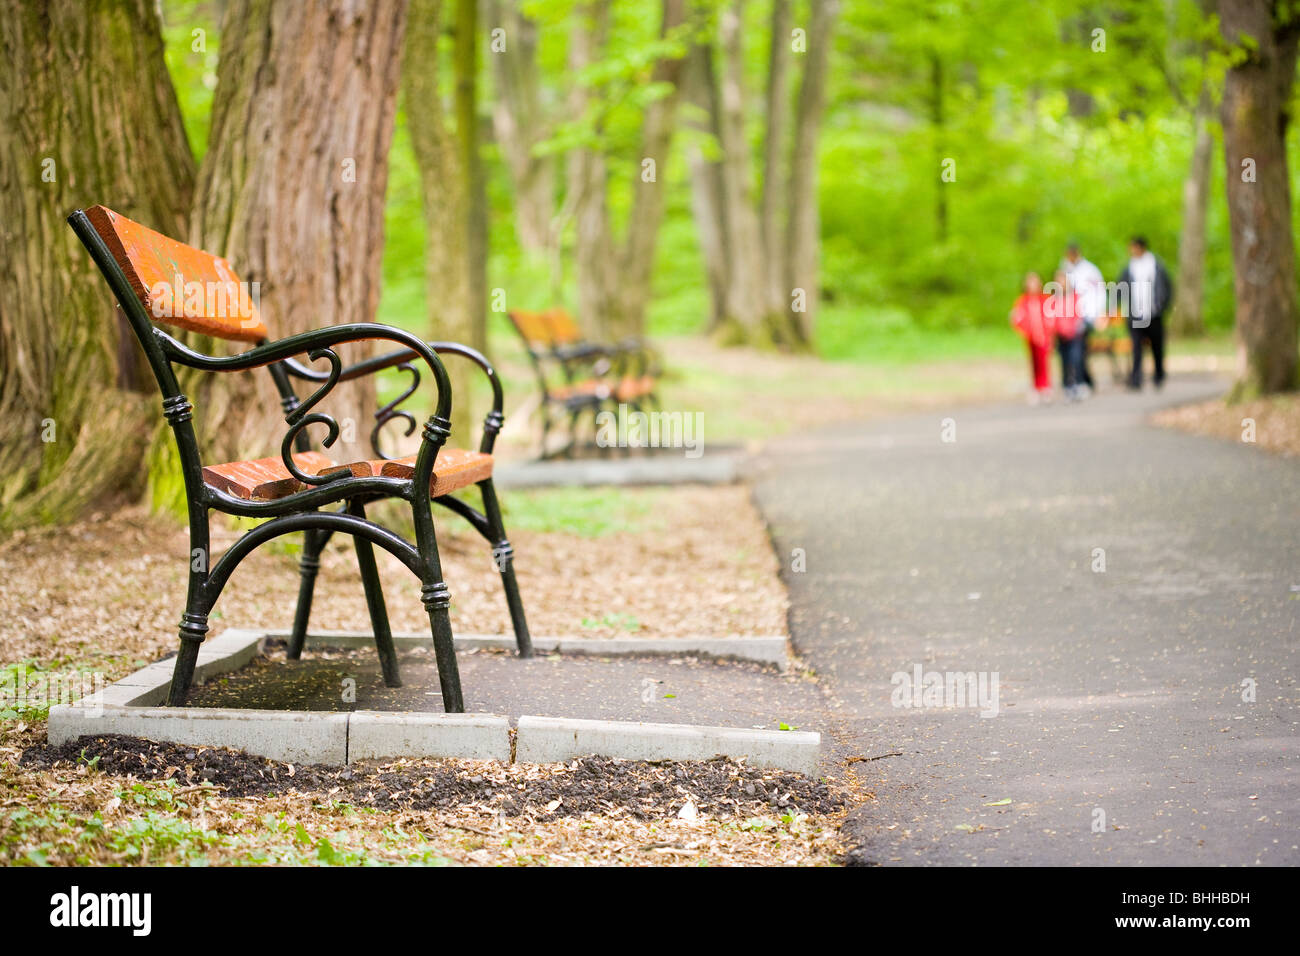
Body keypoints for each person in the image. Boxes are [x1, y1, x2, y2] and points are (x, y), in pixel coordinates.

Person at [1116, 236, 1172, 390]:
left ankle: (1159, 375)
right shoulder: (1130, 267)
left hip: (1154, 313)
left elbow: (1167, 286)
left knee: (1157, 346)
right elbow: (1121, 286)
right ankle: (1136, 378)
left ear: (1140, 247)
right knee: (1136, 347)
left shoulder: (1156, 265)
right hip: (1135, 314)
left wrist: (1163, 305)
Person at [1061, 243, 1105, 392]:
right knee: (1074, 351)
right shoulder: (1065, 269)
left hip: (1086, 316)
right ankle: (1081, 380)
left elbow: (1099, 292)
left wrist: (1097, 313)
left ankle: (1082, 380)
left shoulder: (1090, 270)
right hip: (1068, 317)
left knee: (1079, 350)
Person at [1010, 272, 1053, 403]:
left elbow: (1051, 317)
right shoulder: (1023, 301)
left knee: (1044, 362)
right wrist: (1026, 331)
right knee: (1033, 363)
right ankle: (1035, 387)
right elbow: (1017, 318)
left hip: (1044, 337)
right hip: (1030, 338)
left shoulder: (1045, 299)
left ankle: (1045, 387)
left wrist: (1048, 332)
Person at [1051, 269, 1085, 401]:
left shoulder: (1074, 297)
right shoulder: (1054, 299)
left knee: (1076, 360)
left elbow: (1079, 314)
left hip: (1074, 335)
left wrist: (1074, 328)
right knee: (1064, 362)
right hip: (1060, 336)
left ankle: (1078, 383)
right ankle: (1067, 386)